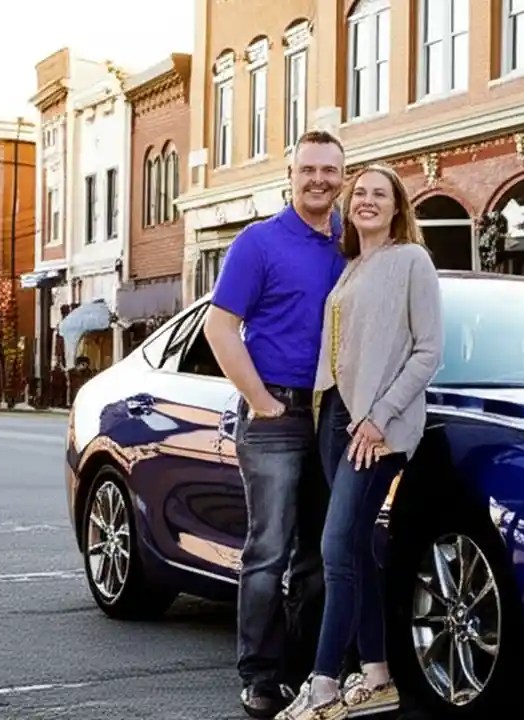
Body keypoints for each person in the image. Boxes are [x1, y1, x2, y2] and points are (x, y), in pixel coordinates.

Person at [277, 164, 443, 720]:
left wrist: (379, 417)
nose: (368, 201)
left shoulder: (410, 261)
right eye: (361, 193)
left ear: (398, 208)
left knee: (335, 548)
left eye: (381, 194)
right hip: (335, 419)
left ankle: (323, 683)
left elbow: (427, 352)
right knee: (355, 553)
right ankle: (376, 675)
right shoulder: (351, 266)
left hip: (376, 428)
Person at [204, 130, 348, 719]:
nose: (319, 179)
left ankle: (304, 673)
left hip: (335, 415)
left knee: (318, 552)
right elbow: (219, 326)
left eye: (330, 170)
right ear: (290, 175)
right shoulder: (258, 243)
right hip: (278, 414)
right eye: (308, 168)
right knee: (268, 550)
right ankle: (260, 677)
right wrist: (261, 400)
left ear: (344, 176)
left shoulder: (354, 242)